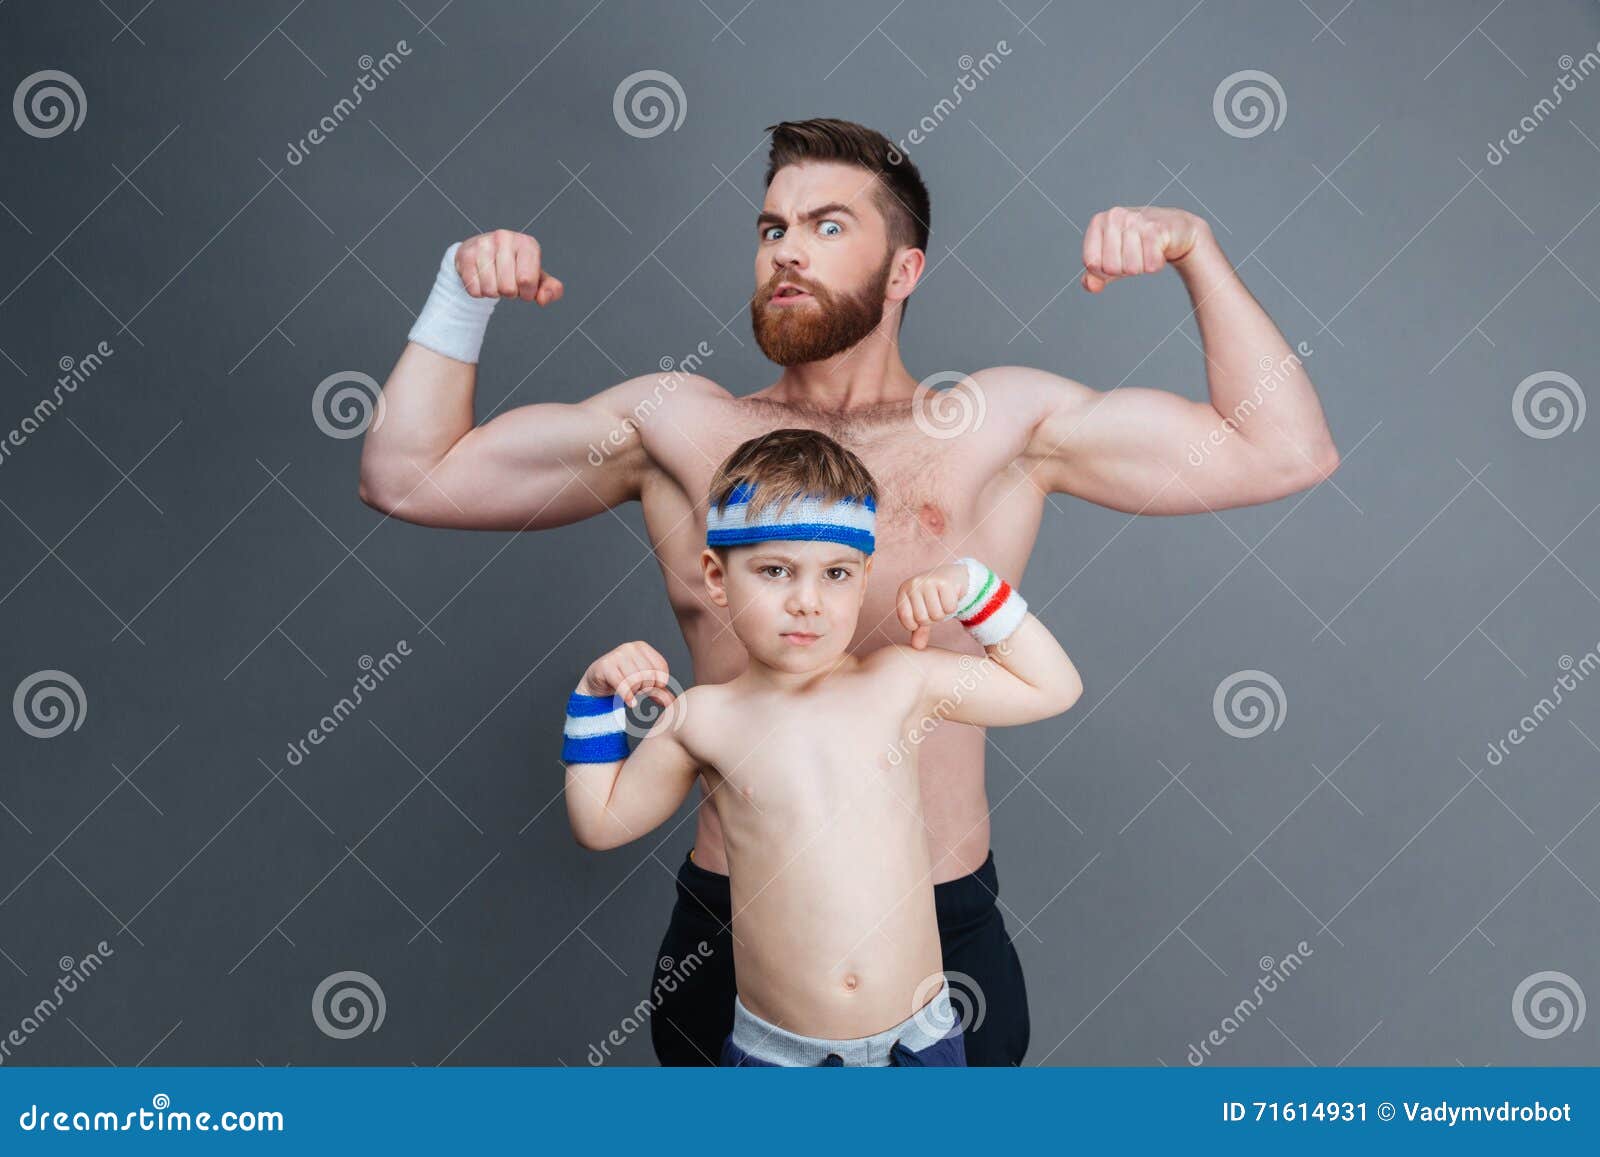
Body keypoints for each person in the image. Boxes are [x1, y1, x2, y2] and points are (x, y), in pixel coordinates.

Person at [357, 117, 1340, 1064]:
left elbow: (1283, 448)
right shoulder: (674, 425)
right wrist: (459, 295)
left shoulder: (996, 423)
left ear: (903, 270)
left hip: (938, 924)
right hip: (732, 920)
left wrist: (1194, 254)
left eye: (829, 226)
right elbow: (409, 476)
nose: (788, 250)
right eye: (772, 228)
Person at [560, 430, 1082, 1066]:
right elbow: (600, 823)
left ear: (863, 581)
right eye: (775, 570)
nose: (807, 601)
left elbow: (1053, 688)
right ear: (717, 577)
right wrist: (593, 697)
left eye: (835, 574)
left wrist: (976, 591)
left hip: (918, 1044)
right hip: (780, 1059)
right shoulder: (704, 717)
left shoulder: (899, 682)